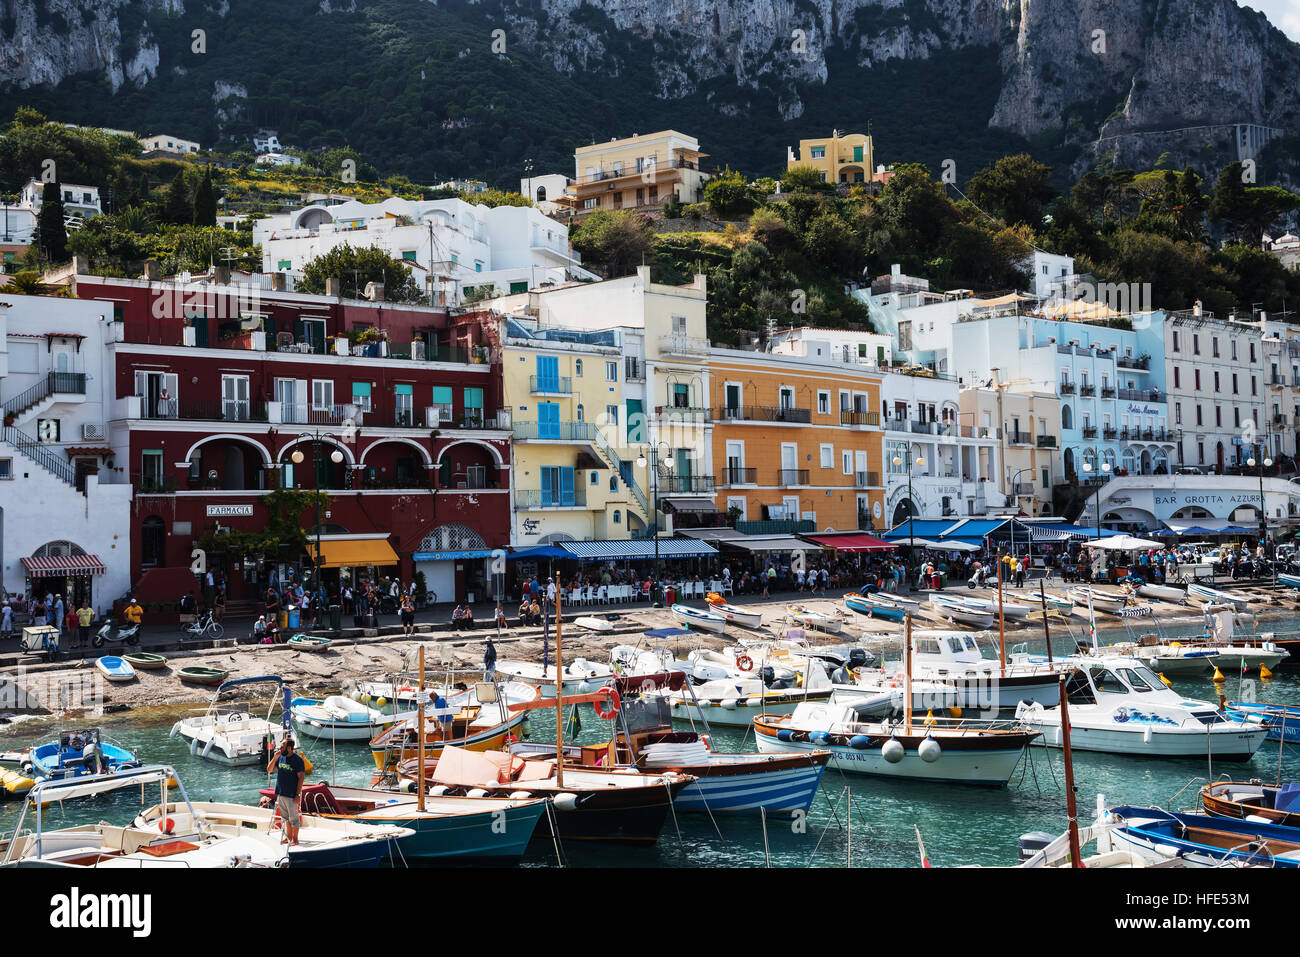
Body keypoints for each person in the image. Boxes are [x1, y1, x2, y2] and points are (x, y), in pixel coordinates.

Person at [267, 738, 305, 846]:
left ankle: (295, 839)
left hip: (292, 794)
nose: (280, 747)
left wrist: (298, 794)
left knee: (294, 818)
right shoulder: (280, 758)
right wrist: (275, 758)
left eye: (282, 746)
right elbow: (269, 769)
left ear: (289, 748)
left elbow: (301, 777)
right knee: (286, 818)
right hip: (281, 792)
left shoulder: (297, 760)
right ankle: (288, 837)